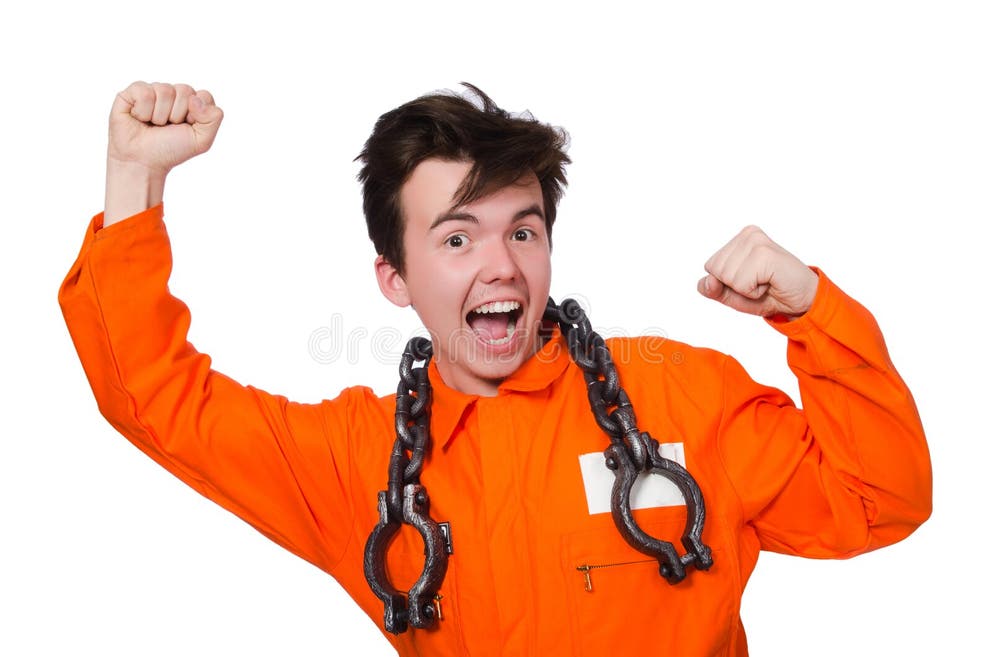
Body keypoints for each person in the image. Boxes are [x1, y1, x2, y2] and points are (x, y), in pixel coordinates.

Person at [59, 81, 932, 656]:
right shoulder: (358, 459)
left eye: (522, 229)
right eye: (455, 237)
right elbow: (158, 399)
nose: (501, 266)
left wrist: (810, 309)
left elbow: (879, 499)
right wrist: (134, 178)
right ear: (394, 280)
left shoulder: (683, 395)